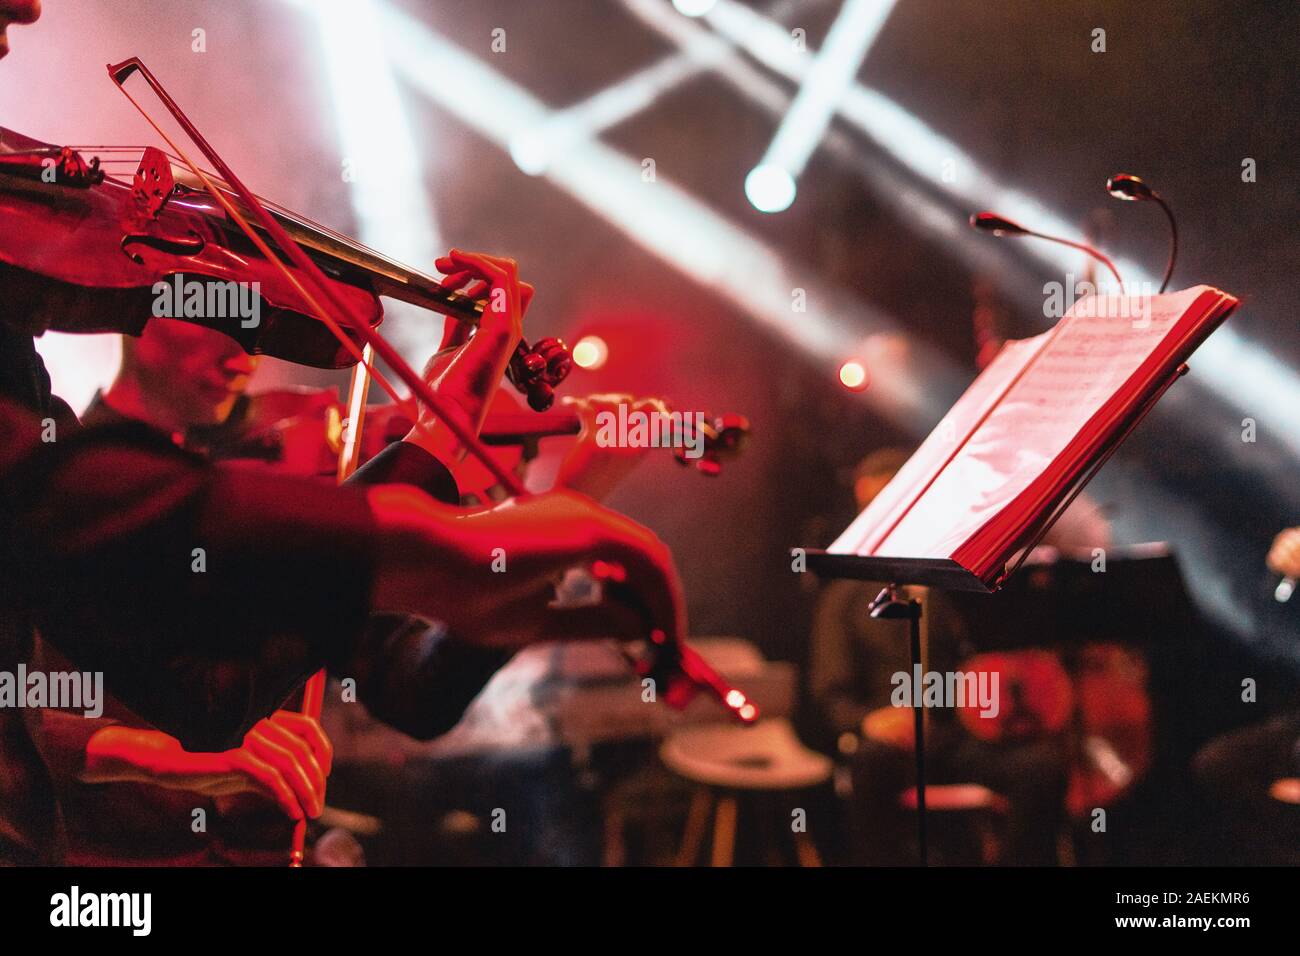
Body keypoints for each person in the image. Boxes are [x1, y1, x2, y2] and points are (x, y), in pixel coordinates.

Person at [0, 3, 687, 865]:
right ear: (145, 305)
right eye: (215, 302)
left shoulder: (132, 452)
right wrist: (181, 765)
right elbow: (31, 708)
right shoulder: (57, 471)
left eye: (253, 325)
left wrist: (552, 490)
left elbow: (409, 687)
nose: (245, 348)